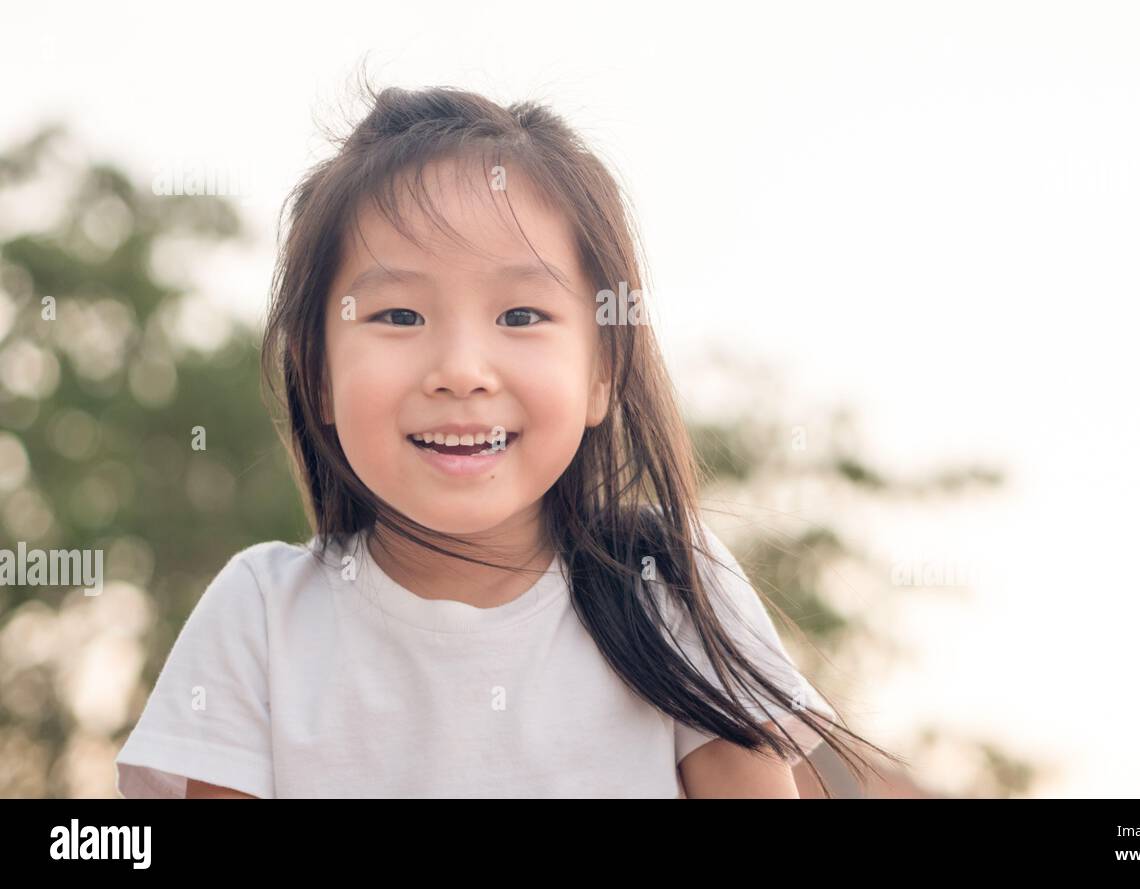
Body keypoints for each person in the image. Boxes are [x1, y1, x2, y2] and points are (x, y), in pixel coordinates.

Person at [114, 82, 896, 798]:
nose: (460, 370)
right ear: (315, 373)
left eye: (520, 316)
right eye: (398, 316)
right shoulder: (261, 618)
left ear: (601, 371)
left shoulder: (670, 585)